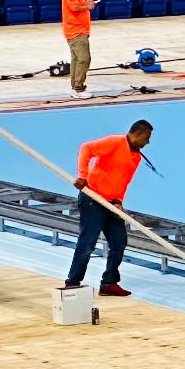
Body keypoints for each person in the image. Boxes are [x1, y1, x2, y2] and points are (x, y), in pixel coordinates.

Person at [63, 120, 152, 297]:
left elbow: (124, 182)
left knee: (119, 242)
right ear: (136, 134)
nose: (148, 142)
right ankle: (72, 282)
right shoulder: (115, 142)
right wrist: (82, 175)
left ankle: (109, 282)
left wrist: (119, 201)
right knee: (88, 242)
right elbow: (86, 148)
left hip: (111, 203)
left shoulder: (136, 157)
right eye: (146, 138)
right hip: (93, 198)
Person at [61, 0, 96, 98]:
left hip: (77, 30)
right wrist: (87, 6)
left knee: (76, 60)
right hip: (76, 31)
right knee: (84, 59)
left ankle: (75, 87)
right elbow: (74, 8)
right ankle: (78, 88)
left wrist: (86, 4)